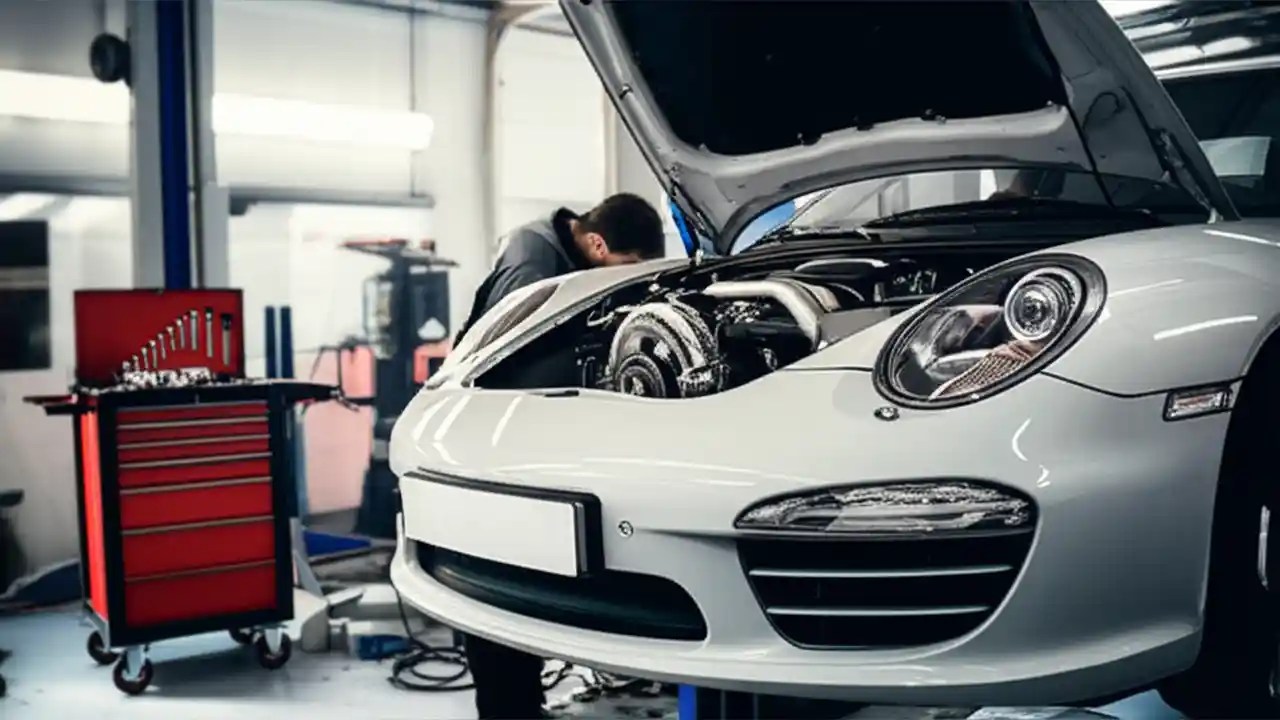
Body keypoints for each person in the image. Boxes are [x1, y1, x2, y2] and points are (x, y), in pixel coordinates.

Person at [455, 192, 665, 720]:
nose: (635, 278)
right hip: (495, 450)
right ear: (597, 244)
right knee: (506, 594)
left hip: (510, 443)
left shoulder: (560, 247)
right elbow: (516, 375)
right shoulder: (536, 268)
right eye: (631, 267)